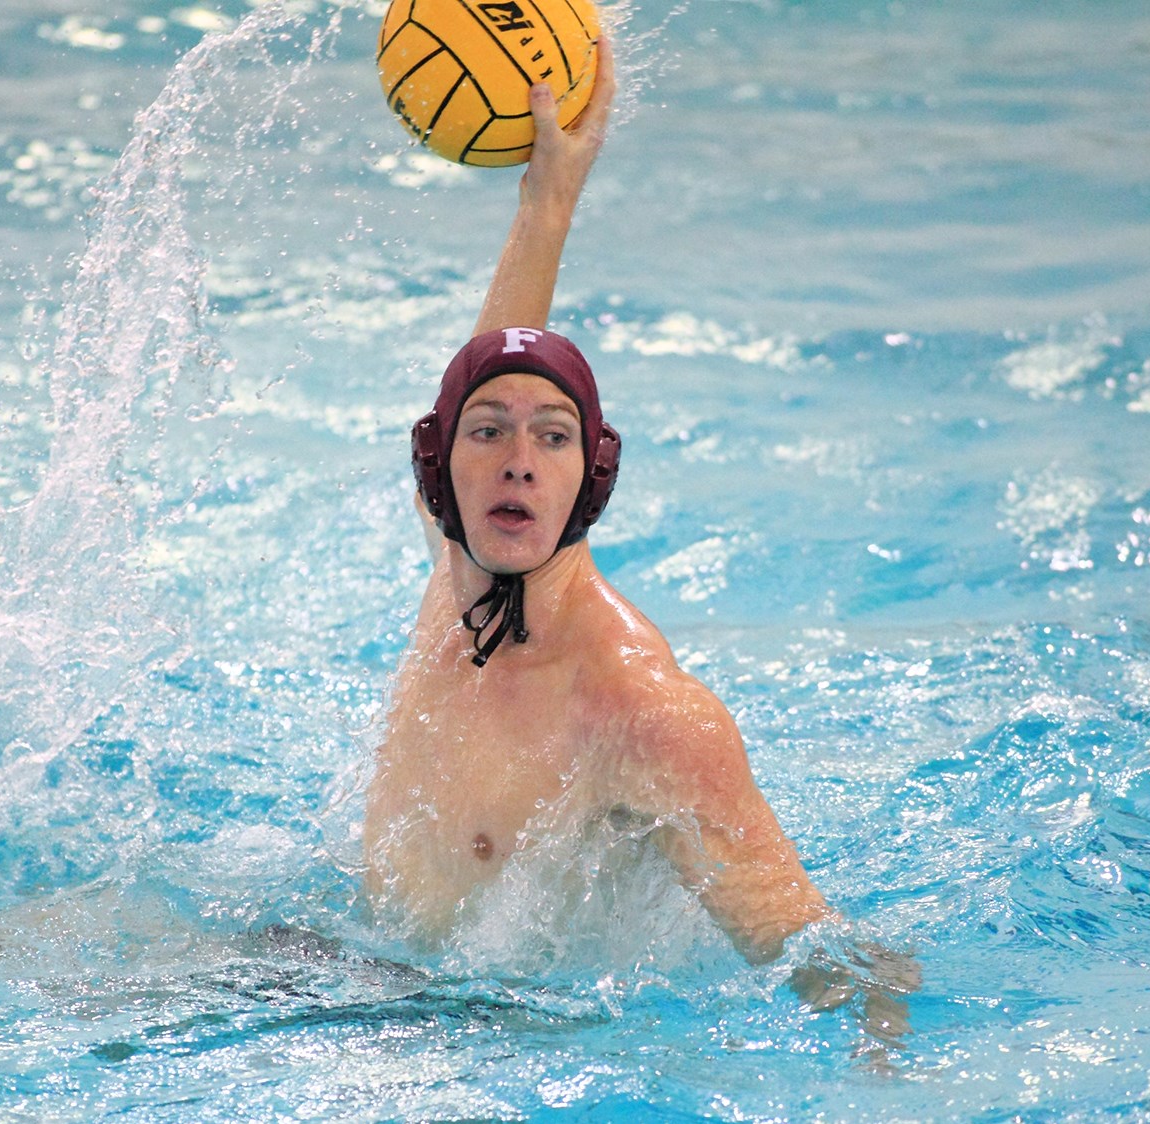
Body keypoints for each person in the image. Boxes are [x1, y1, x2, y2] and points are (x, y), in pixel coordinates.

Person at [361, 35, 876, 985]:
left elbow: (812, 949)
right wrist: (546, 196)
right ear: (438, 467)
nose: (517, 462)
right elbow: (485, 372)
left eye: (554, 439)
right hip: (354, 980)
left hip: (490, 1045)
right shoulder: (458, 579)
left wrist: (892, 1062)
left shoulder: (641, 711)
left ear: (590, 480)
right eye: (488, 436)